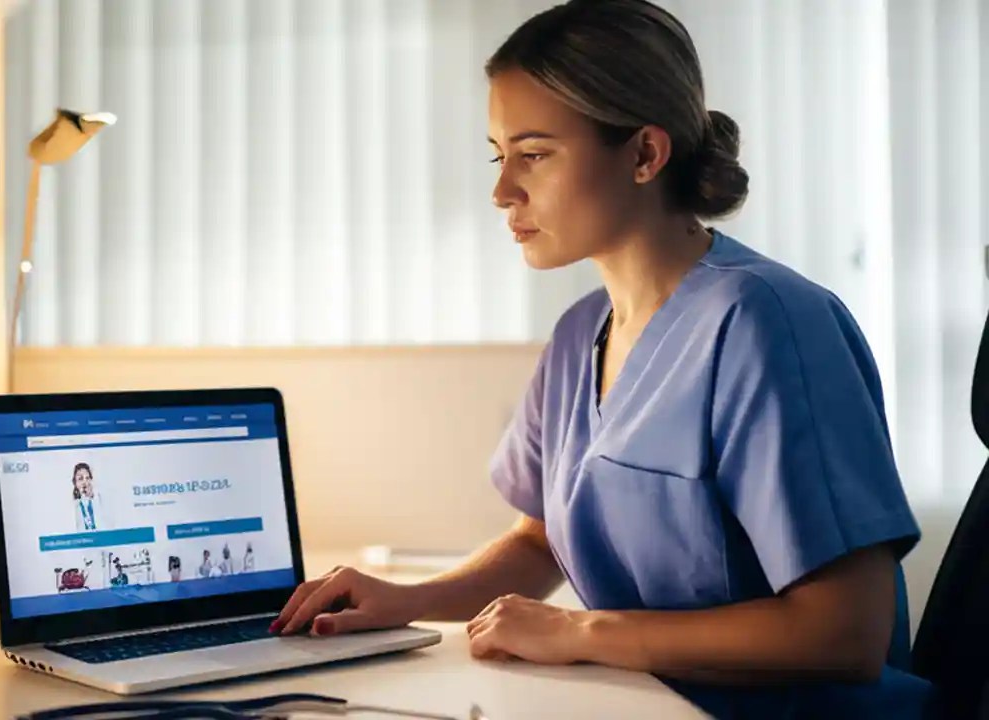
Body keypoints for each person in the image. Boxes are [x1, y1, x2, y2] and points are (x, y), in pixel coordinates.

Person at [272, 2, 928, 717]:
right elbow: (540, 540)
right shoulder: (579, 333)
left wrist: (583, 632)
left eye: (534, 154)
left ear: (644, 155)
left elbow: (845, 633)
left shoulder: (768, 323)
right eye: (499, 155)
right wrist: (408, 600)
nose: (502, 190)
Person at [70, 462, 105, 531]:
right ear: (75, 483)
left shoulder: (98, 501)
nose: (84, 482)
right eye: (80, 479)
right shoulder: (73, 506)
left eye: (87, 478)